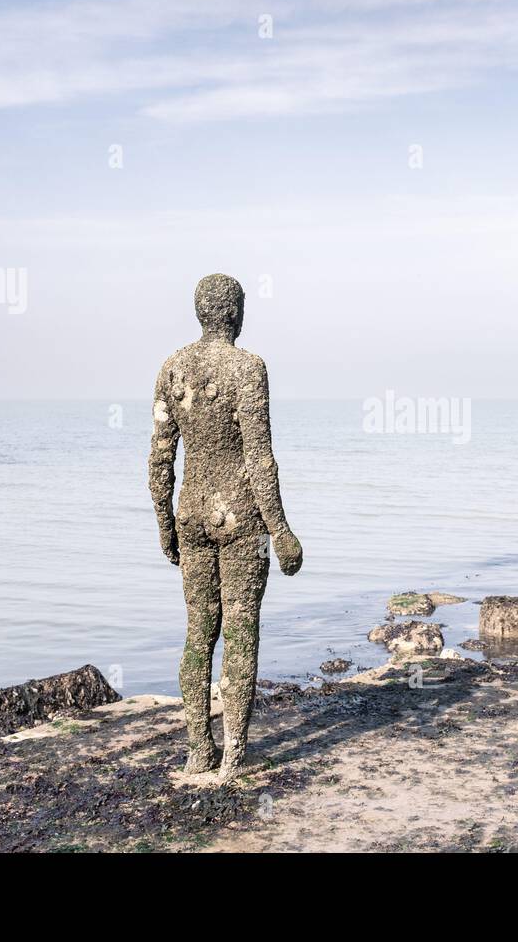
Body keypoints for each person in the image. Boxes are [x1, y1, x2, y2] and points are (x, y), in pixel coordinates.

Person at [148, 273, 303, 781]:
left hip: (192, 513)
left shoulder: (173, 369)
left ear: (200, 313)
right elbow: (259, 458)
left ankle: (197, 749)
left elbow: (159, 459)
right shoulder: (247, 368)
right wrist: (280, 529)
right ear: (236, 313)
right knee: (240, 630)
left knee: (198, 632)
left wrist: (165, 525)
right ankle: (234, 752)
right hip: (241, 518)